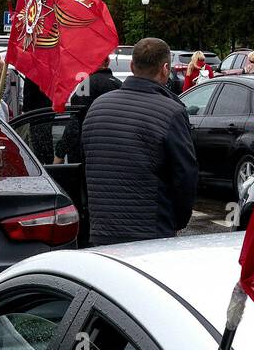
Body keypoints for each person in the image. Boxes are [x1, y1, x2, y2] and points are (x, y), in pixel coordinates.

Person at [81, 37, 198, 245]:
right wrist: (176, 221)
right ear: (164, 69)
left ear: (132, 66)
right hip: (150, 237)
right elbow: (185, 175)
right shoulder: (172, 112)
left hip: (101, 233)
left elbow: (86, 164)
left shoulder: (97, 107)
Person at [57, 57, 122, 163]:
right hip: (114, 152)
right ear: (108, 62)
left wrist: (60, 154)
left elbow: (75, 123)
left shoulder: (86, 85)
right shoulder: (119, 85)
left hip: (86, 154)